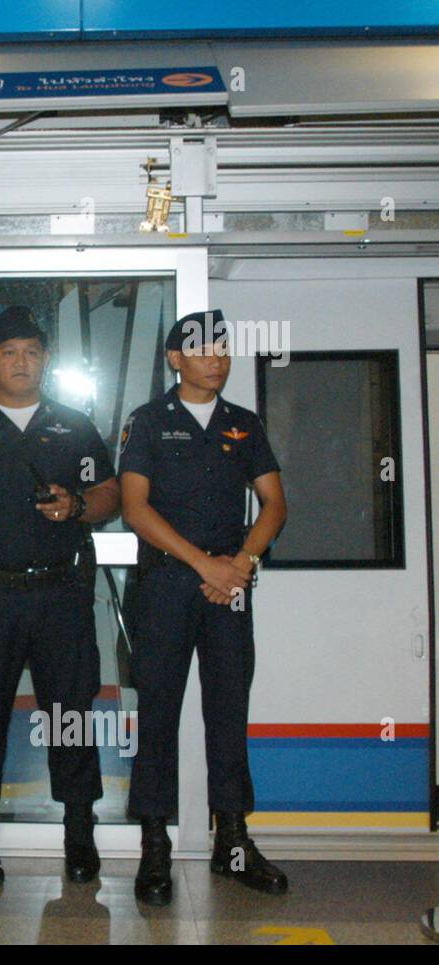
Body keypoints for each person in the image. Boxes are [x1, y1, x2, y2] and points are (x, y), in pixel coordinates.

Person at [0, 305, 120, 885]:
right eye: (8, 353)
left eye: (31, 351)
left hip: (60, 596)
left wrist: (78, 505)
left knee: (70, 716)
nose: (21, 362)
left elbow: (109, 492)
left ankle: (79, 833)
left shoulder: (73, 425)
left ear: (46, 358)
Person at [118, 309, 289, 906]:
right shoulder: (148, 422)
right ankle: (155, 847)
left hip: (230, 586)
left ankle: (233, 845)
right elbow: (135, 509)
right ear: (175, 359)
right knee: (158, 714)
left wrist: (238, 564)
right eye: (203, 349)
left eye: (223, 348)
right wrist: (203, 564)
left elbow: (272, 504)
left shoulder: (243, 424)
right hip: (167, 585)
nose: (216, 358)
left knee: (228, 711)